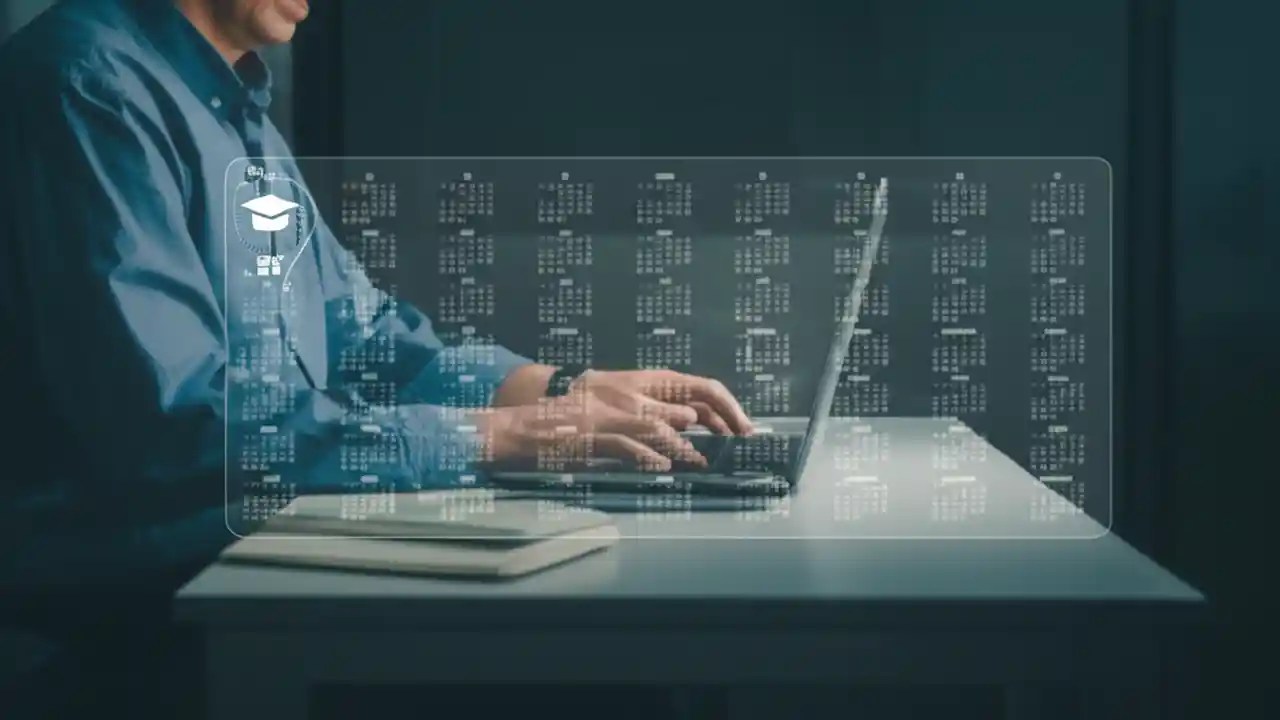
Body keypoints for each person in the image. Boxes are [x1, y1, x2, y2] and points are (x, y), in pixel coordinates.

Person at [0, 0, 750, 713]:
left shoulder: (227, 106)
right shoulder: (85, 88)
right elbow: (182, 424)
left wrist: (564, 390)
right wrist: (510, 436)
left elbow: (363, 336)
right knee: (606, 686)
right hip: (139, 625)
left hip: (256, 567)